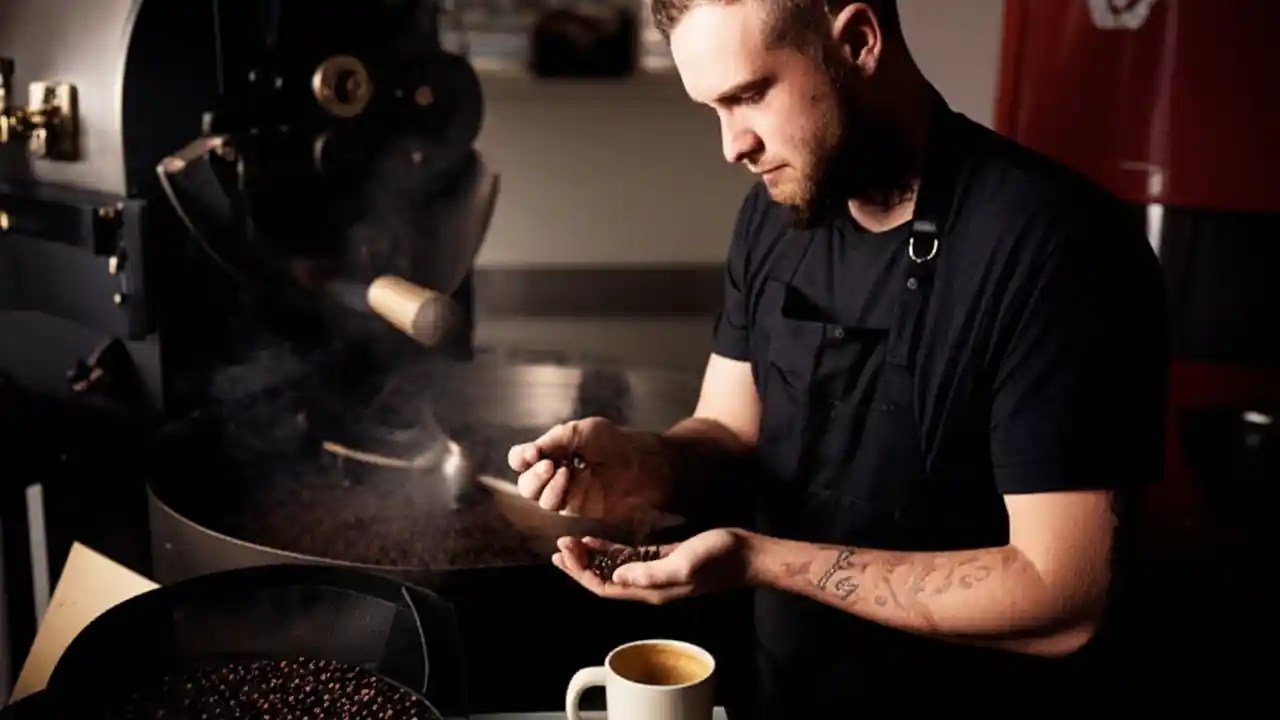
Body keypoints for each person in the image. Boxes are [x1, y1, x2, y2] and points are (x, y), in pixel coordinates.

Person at [508, 0, 1169, 711]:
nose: (733, 145)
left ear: (857, 41)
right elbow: (729, 433)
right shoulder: (773, 215)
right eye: (714, 110)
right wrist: (645, 466)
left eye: (750, 96)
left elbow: (1062, 595)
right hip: (786, 690)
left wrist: (761, 559)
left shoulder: (1055, 247)